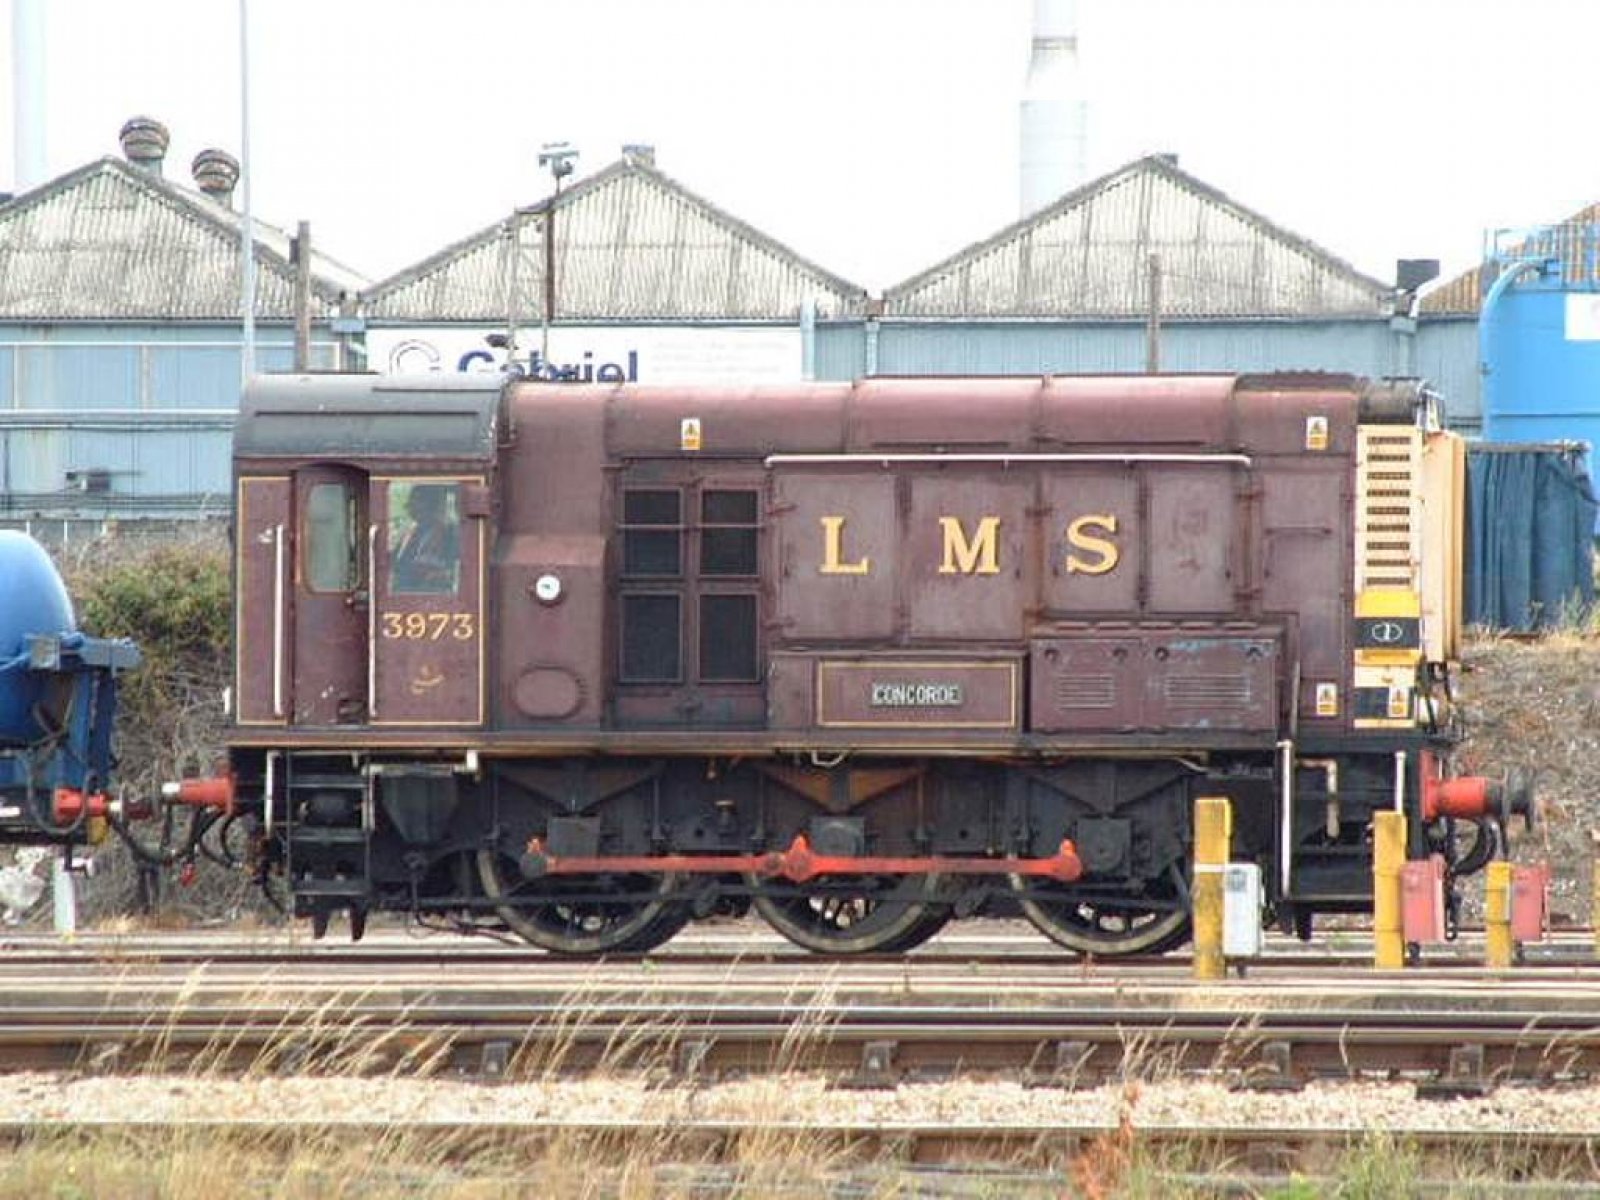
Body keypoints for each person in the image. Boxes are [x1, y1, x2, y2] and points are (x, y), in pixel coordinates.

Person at [391, 484, 459, 594]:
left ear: (429, 504)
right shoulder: (413, 531)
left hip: (428, 593)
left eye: (415, 502)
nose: (409, 507)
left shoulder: (447, 533)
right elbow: (397, 561)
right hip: (405, 590)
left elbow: (444, 569)